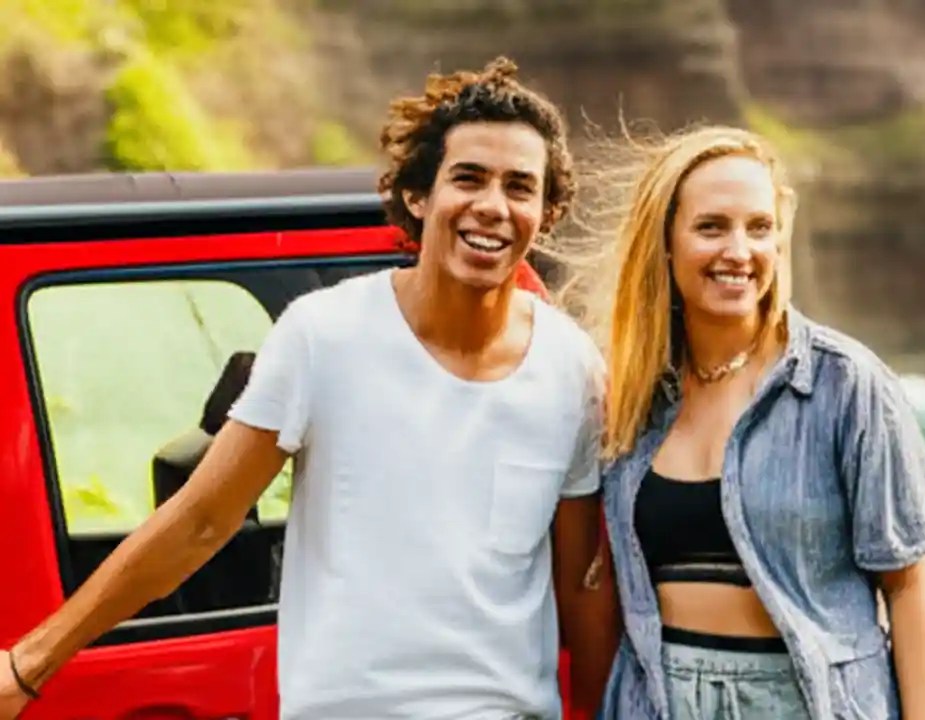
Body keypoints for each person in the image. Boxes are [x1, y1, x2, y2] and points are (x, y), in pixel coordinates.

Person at [0, 57, 619, 720]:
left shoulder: (569, 368)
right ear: (418, 195)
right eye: (468, 178)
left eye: (519, 187)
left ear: (546, 213)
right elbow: (202, 520)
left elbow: (581, 582)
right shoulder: (325, 335)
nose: (492, 207)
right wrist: (27, 667)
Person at [593, 126, 925, 719]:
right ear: (665, 242)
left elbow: (910, 586)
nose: (739, 250)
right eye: (712, 226)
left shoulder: (845, 386)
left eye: (759, 228)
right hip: (658, 700)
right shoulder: (633, 393)